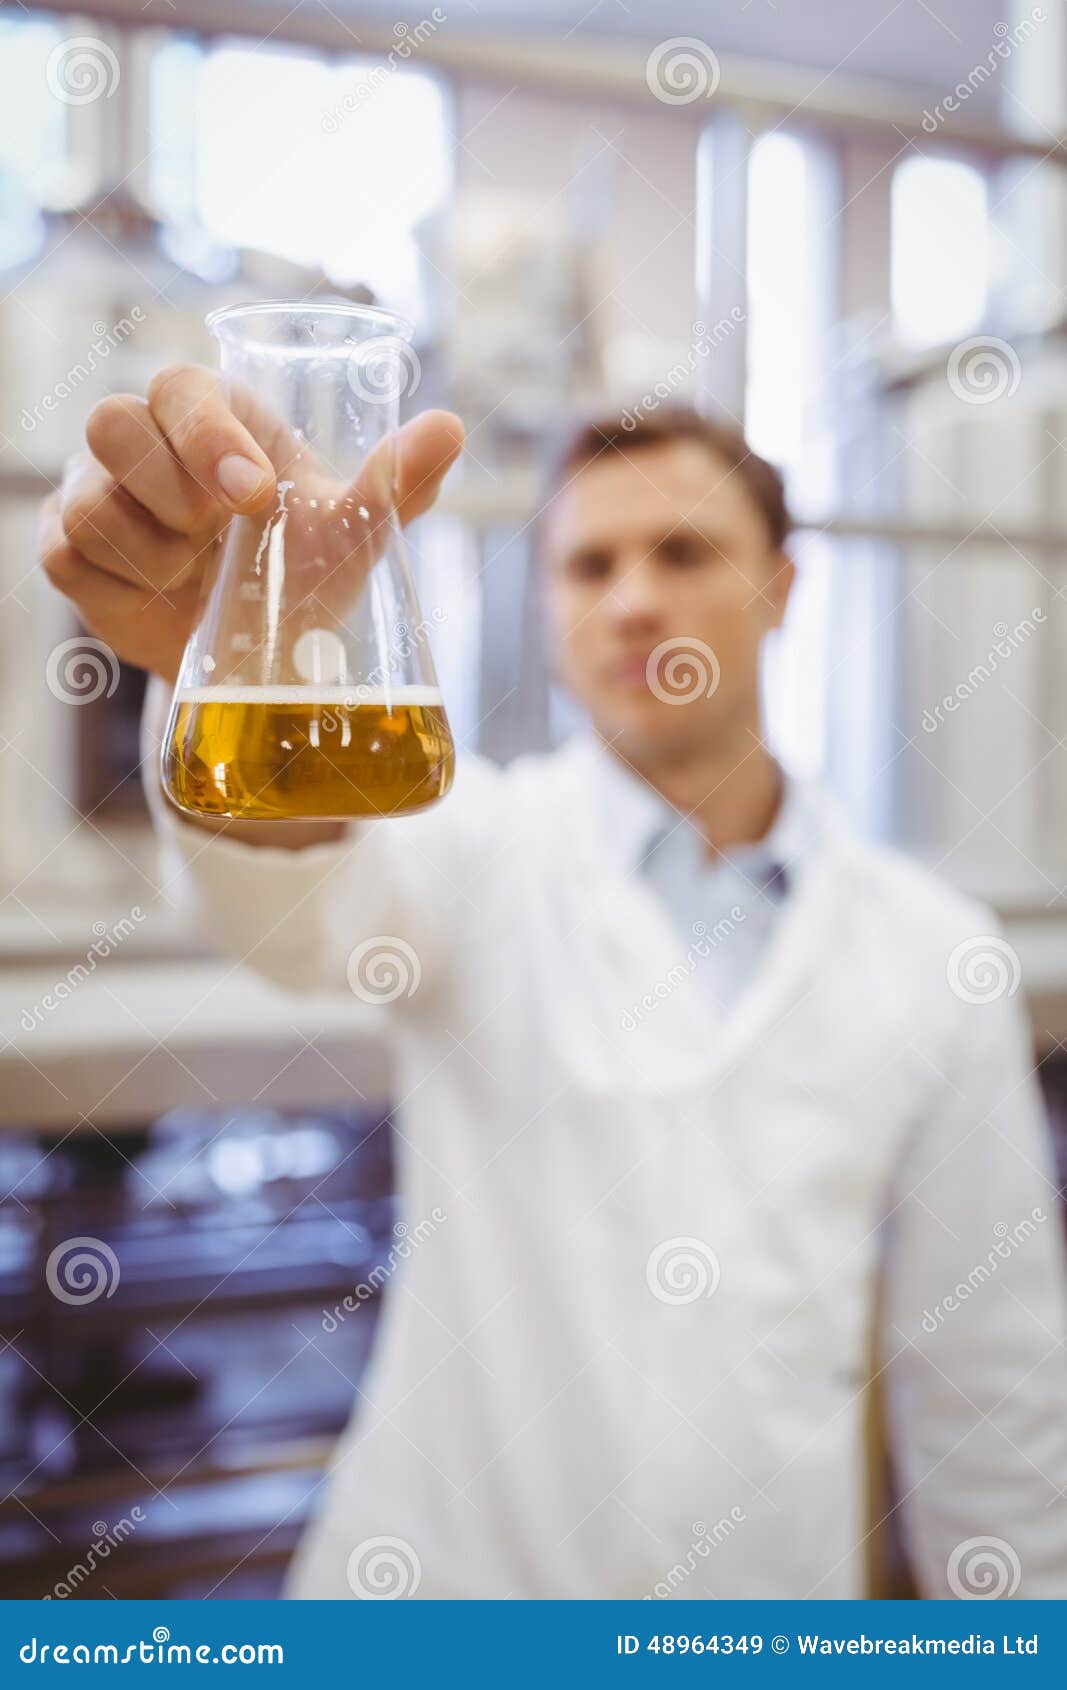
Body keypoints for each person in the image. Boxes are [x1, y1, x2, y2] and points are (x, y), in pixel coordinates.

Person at [39, 368, 1067, 1600]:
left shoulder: (930, 955)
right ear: (549, 604)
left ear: (781, 586)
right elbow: (291, 904)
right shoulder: (476, 845)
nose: (632, 600)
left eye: (682, 552)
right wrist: (244, 673)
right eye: (589, 567)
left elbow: (992, 1395)